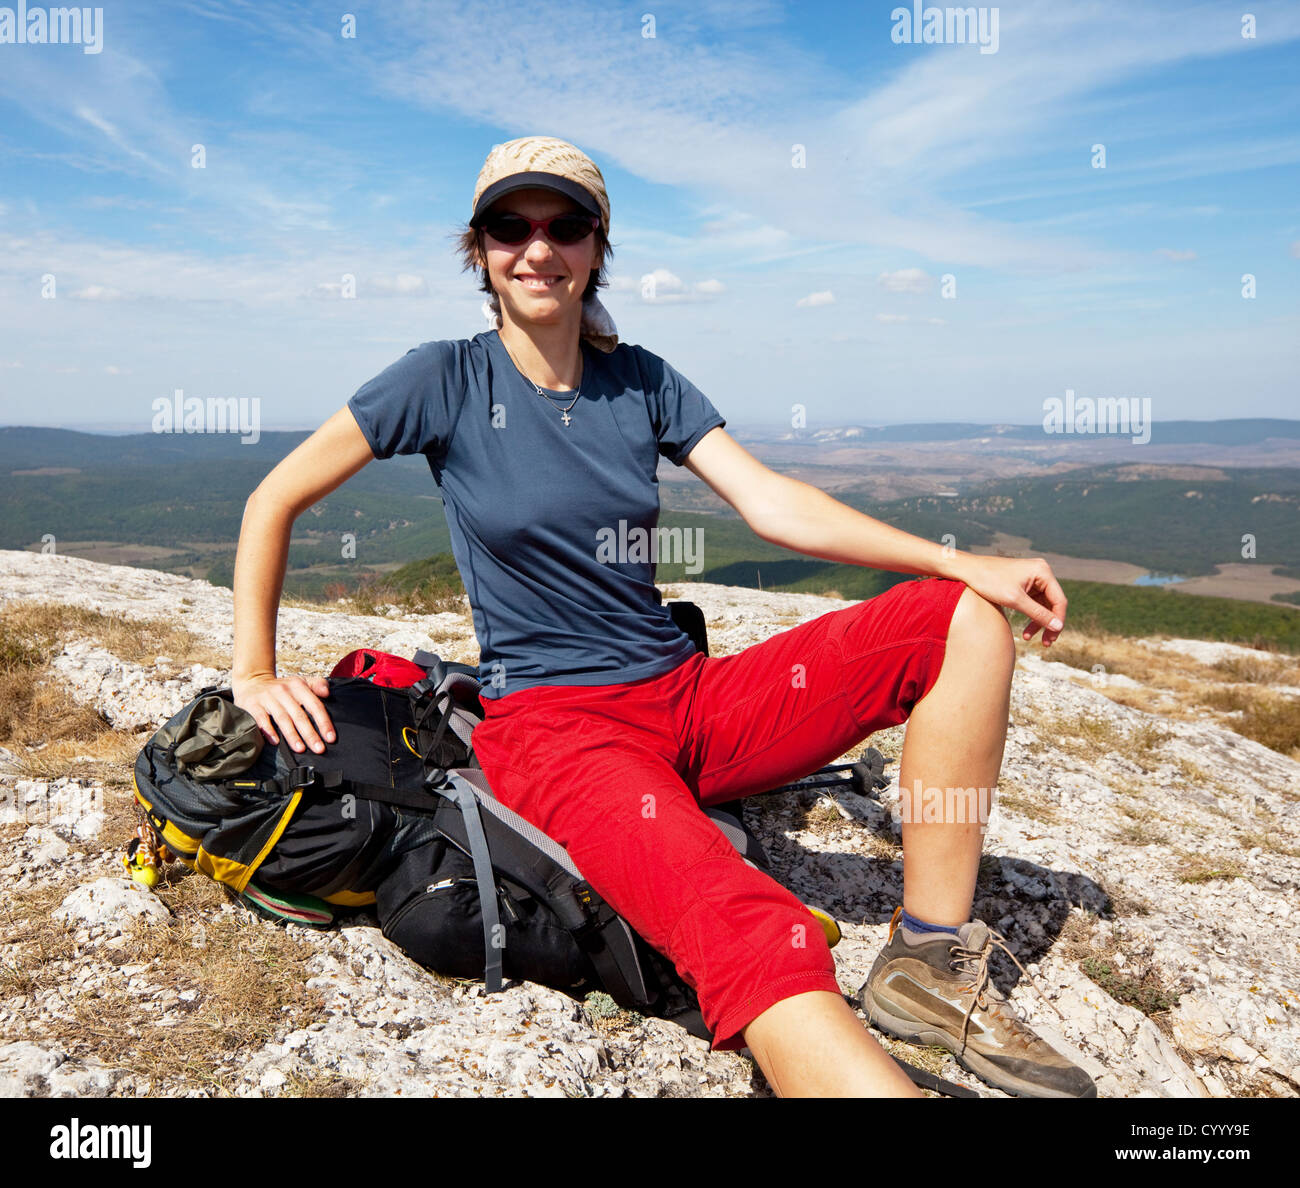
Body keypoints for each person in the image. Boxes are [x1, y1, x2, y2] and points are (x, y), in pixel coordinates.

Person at [231, 135, 1094, 1099]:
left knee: (959, 619)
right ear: (477, 250)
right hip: (561, 730)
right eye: (509, 226)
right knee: (751, 926)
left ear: (599, 246)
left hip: (689, 698)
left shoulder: (640, 378)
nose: (537, 248)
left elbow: (770, 505)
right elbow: (274, 499)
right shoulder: (442, 378)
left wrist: (954, 559)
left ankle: (927, 963)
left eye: (565, 226)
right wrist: (254, 669)